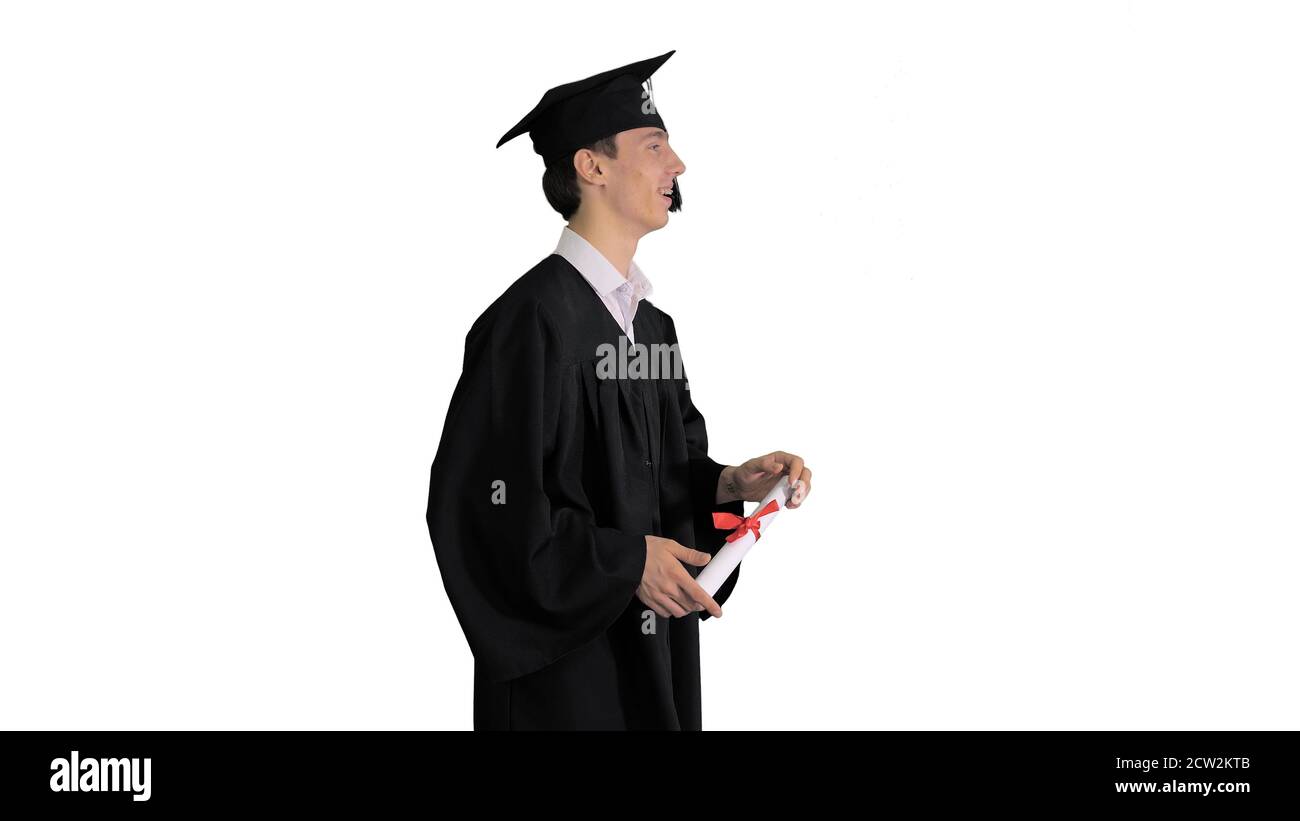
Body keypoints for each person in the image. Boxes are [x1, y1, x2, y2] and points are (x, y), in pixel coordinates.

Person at [425, 50, 813, 730]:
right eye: (655, 145)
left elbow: (658, 481)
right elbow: (481, 508)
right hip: (568, 690)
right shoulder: (529, 323)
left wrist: (729, 486)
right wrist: (625, 561)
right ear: (592, 166)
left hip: (652, 669)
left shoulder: (652, 327)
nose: (678, 166)